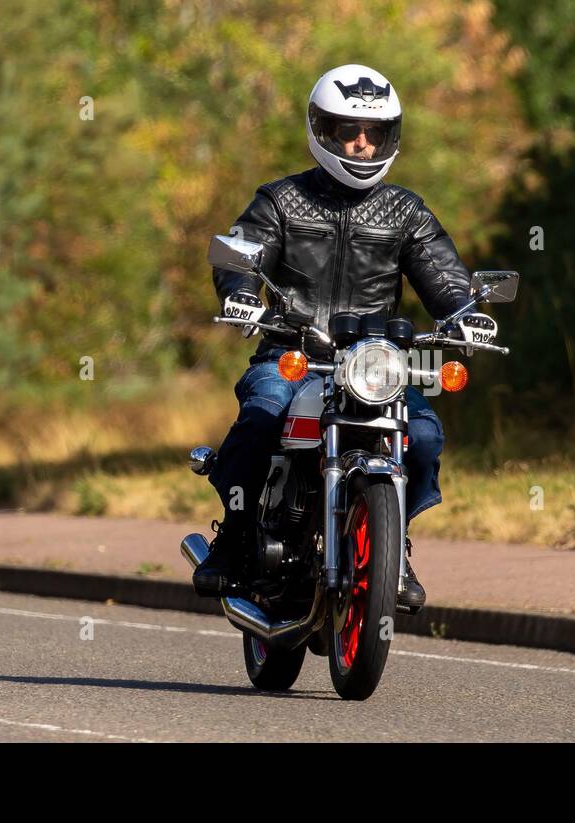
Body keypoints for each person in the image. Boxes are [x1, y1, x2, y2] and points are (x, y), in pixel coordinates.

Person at [194, 63, 476, 609]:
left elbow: (444, 275)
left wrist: (465, 311)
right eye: (350, 130)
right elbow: (242, 252)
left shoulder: (404, 210)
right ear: (323, 131)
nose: (364, 143)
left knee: (422, 435)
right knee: (260, 418)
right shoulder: (281, 201)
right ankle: (234, 534)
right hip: (292, 354)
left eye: (376, 132)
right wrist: (242, 292)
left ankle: (393, 543)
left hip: (374, 364)